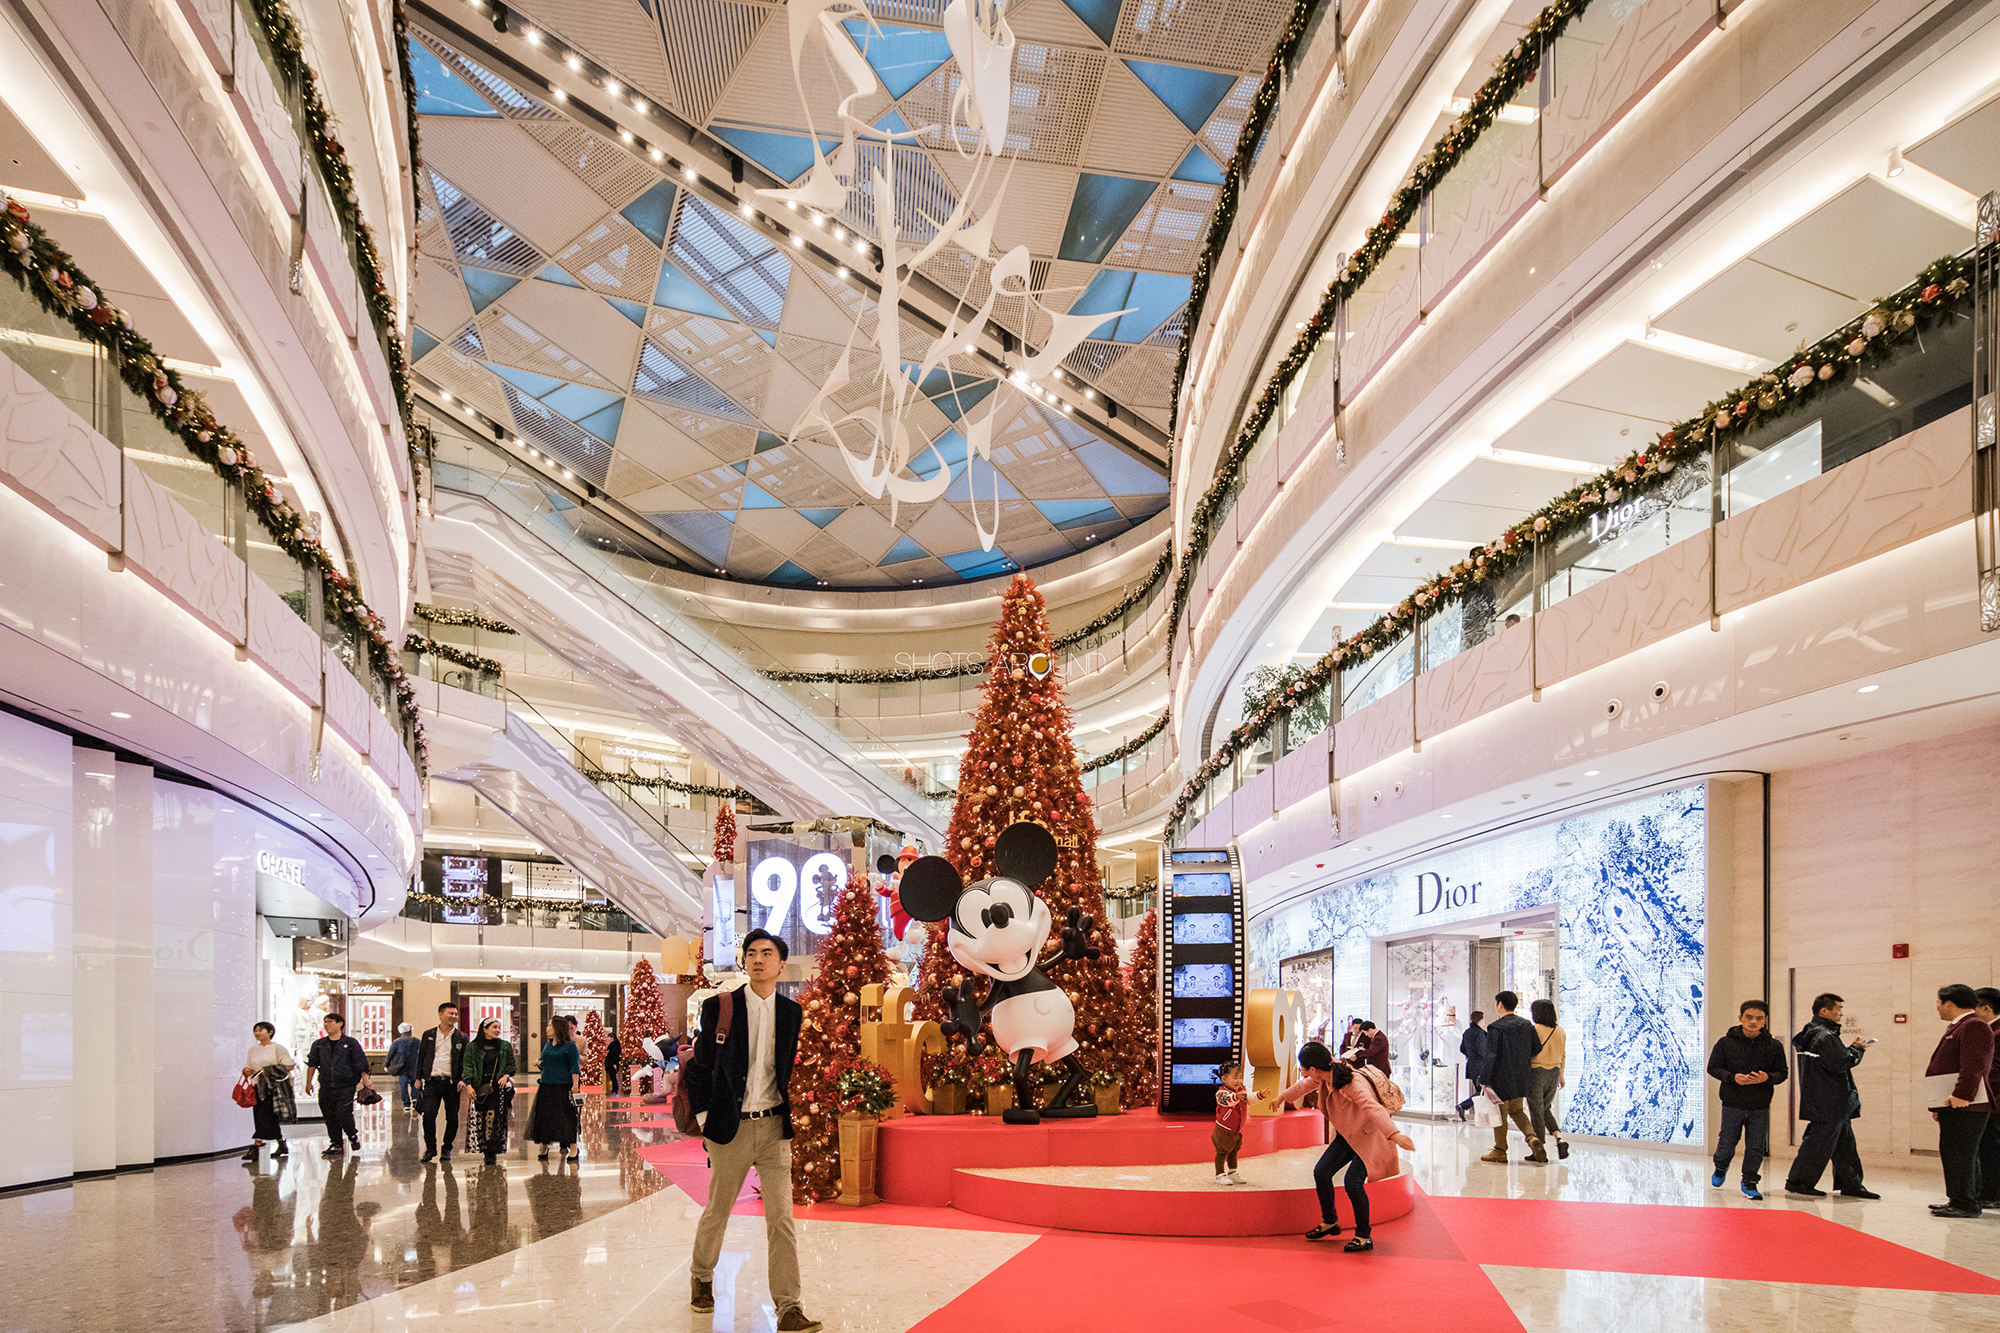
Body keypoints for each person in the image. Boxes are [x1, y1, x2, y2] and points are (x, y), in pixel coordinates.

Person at [686, 929, 822, 1333]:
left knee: (782, 1220)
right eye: (751, 953)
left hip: (774, 1127)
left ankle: (789, 1308)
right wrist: (709, 1119)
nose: (758, 959)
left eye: (767, 953)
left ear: (782, 964)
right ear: (745, 962)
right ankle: (702, 1275)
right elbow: (698, 1068)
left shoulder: (792, 1013)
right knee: (718, 1210)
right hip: (731, 1127)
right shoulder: (720, 1007)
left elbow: (783, 1071)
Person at [1280, 1041, 1414, 1254]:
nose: (1302, 1071)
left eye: (1303, 1067)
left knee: (1353, 1182)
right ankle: (1330, 1221)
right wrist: (1282, 1097)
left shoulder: (1350, 1082)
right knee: (1322, 1172)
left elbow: (1372, 1107)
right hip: (1348, 1134)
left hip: (1370, 1136)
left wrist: (1394, 1134)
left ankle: (1363, 1236)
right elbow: (1306, 1085)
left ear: (1313, 1069)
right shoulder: (1326, 1072)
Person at [1784, 992, 1879, 1199]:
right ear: (1824, 1011)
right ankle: (1798, 1182)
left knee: (1844, 1145)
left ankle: (1851, 1184)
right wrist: (1857, 1049)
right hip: (1830, 1101)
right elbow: (1841, 1062)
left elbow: (1830, 1061)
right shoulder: (1824, 1036)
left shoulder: (1812, 1034)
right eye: (1838, 1009)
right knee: (1818, 1144)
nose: (1841, 1014)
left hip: (1828, 1100)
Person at [1925, 983, 1996, 1218]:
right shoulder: (1961, 1025)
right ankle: (1960, 1199)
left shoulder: (1974, 1025)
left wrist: (1962, 1095)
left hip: (1966, 1105)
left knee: (1961, 1153)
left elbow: (1974, 1066)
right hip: (1954, 1104)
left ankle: (1965, 1203)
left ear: (1950, 1003)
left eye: (1938, 1002)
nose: (1937, 1007)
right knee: (1956, 1152)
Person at [1706, 1000, 1788, 1199]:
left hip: (1760, 1105)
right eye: (1749, 1017)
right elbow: (1713, 1068)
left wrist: (1766, 1078)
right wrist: (1733, 1077)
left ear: (1765, 1021)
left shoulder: (1774, 1046)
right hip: (1732, 1102)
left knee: (1755, 1146)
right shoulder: (1725, 1043)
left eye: (1759, 1018)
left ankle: (1749, 1181)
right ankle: (1720, 1167)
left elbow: (1782, 1073)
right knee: (1727, 1143)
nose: (1753, 1022)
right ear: (1740, 1018)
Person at [1481, 991, 1544, 1164]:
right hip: (1521, 1077)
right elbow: (1536, 1048)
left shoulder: (1495, 1028)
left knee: (1500, 1115)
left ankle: (1500, 1150)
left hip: (1500, 1078)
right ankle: (1532, 1138)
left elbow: (1491, 1056)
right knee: (1517, 1110)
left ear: (1500, 1004)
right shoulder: (1526, 1025)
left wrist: (1484, 1079)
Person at [303, 1012, 371, 1158]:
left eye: (330, 1022)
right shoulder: (319, 1044)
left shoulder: (351, 1043)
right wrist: (308, 1083)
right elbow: (312, 1064)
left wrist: (365, 1078)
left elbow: (360, 1062)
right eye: (325, 1022)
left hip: (346, 1085)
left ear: (340, 1023)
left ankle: (352, 1135)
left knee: (343, 1112)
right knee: (329, 1115)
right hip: (326, 1085)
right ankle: (336, 1143)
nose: (326, 1024)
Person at [527, 1015, 583, 1164]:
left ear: (557, 1028)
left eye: (550, 1025)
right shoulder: (547, 1045)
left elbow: (574, 1067)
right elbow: (546, 1062)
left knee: (566, 1118)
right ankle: (544, 1146)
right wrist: (539, 1063)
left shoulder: (570, 1046)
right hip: (546, 1085)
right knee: (545, 1117)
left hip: (563, 1086)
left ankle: (573, 1147)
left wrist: (575, 1086)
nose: (547, 1028)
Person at [418, 1003, 468, 1163]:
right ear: (440, 1014)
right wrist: (418, 1077)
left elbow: (465, 1061)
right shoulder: (429, 1034)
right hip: (432, 1082)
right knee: (428, 1116)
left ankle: (446, 1148)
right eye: (450, 1013)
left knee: (452, 1118)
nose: (454, 1016)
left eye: (455, 1014)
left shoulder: (462, 1037)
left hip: (452, 1083)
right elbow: (421, 1056)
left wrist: (463, 1079)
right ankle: (430, 1148)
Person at [463, 1019, 517, 1166]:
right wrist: (468, 1085)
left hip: (497, 1088)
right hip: (480, 1087)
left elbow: (512, 1066)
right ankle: (485, 1146)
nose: (498, 1030)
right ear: (484, 1029)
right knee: (481, 1116)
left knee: (493, 1117)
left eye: (499, 1027)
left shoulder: (504, 1046)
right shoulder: (472, 1047)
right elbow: (467, 1066)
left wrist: (506, 1075)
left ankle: (491, 1151)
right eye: (494, 1027)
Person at [242, 1021, 296, 1160]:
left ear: (270, 1032)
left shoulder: (278, 1048)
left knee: (265, 1116)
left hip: (273, 1088)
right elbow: (248, 1066)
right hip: (257, 1087)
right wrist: (247, 1070)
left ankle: (255, 1147)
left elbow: (289, 1065)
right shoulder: (252, 1050)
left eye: (261, 1030)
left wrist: (268, 1070)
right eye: (255, 1030)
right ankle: (280, 1143)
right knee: (262, 1116)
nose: (257, 1033)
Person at [1527, 999, 1571, 1161]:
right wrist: (1561, 1075)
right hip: (1554, 1072)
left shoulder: (1535, 1029)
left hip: (1536, 1071)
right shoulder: (1560, 1031)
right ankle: (1559, 1138)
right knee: (1545, 1108)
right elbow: (1563, 1055)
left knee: (1536, 1109)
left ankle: (1539, 1149)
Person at [1212, 1059, 1265, 1184]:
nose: (1239, 1081)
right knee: (1222, 1151)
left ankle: (1233, 1171)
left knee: (1234, 1150)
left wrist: (1259, 1095)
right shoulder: (1221, 1092)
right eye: (1235, 1078)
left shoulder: (1242, 1089)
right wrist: (1236, 1096)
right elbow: (1227, 1100)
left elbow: (1250, 1098)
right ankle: (1219, 1174)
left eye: (1240, 1077)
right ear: (1224, 1079)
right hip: (1223, 1129)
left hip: (1236, 1129)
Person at [1972, 987, 2000, 1209]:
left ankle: (1991, 1195)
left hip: (1995, 1101)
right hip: (1991, 1100)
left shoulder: (1995, 1033)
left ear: (1986, 1009)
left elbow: (1993, 1070)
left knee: (1991, 1149)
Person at [1456, 1010, 1488, 1121]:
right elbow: (1481, 1051)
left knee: (1480, 1090)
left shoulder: (1467, 1032)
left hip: (1471, 1065)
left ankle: (1470, 1109)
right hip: (1480, 1066)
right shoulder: (1480, 1033)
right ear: (1481, 1020)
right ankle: (1464, 1105)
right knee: (1484, 1091)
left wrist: (1470, 1055)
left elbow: (1462, 1048)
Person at [386, 1023, 421, 1110]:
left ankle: (406, 1104)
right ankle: (415, 1098)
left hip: (401, 1067)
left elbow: (390, 1054)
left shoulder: (396, 1042)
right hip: (414, 1066)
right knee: (414, 1083)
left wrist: (386, 1065)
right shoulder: (417, 1041)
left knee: (403, 1085)